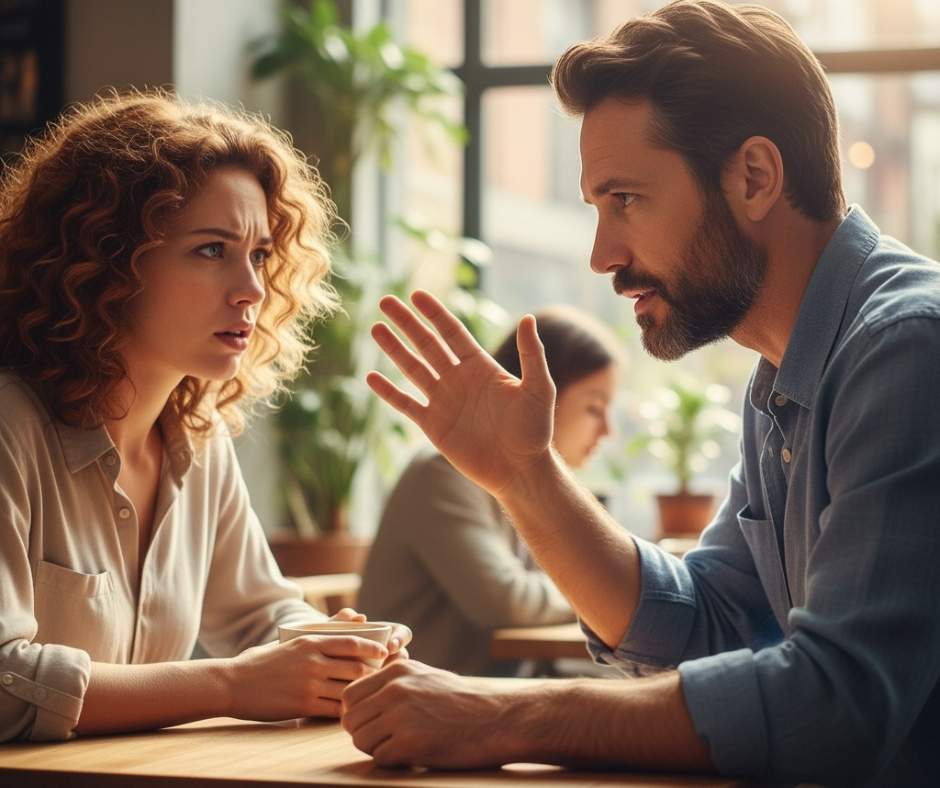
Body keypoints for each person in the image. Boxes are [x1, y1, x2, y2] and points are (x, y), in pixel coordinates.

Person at [340, 1, 940, 784]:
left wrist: (500, 718)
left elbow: (838, 700)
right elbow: (705, 620)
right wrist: (527, 479)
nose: (601, 255)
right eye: (595, 208)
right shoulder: (784, 378)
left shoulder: (906, 347)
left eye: (625, 200)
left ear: (755, 177)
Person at [0, 90, 409, 743]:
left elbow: (255, 615)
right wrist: (232, 685)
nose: (251, 289)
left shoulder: (195, 436)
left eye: (260, 255)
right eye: (212, 249)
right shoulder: (10, 427)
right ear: (107, 261)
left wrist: (331, 651)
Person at [358, 306, 620, 675]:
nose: (608, 431)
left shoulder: (535, 486)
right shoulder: (441, 475)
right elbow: (507, 601)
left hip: (481, 697)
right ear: (539, 395)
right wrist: (604, 588)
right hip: (417, 706)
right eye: (595, 407)